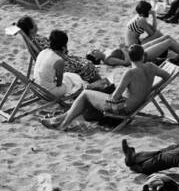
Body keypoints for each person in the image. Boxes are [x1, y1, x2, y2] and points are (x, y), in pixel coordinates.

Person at [42, 44, 170, 131]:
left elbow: (115, 97)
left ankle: (64, 124)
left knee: (86, 93)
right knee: (91, 95)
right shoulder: (151, 67)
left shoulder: (130, 73)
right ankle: (59, 119)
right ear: (143, 56)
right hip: (133, 105)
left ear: (129, 58)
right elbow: (167, 76)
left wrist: (110, 92)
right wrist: (152, 88)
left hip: (122, 108)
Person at [34, 29, 86, 97]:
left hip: (37, 87)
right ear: (63, 47)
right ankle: (75, 95)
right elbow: (59, 83)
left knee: (68, 76)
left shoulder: (43, 52)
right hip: (49, 92)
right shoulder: (59, 61)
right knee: (74, 80)